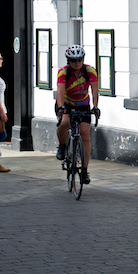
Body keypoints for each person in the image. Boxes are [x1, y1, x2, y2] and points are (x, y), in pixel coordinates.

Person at [54, 45, 99, 185]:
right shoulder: (63, 72)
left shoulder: (90, 71)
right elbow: (60, 92)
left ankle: (84, 171)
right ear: (68, 61)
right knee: (65, 123)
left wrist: (95, 107)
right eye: (74, 61)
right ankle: (62, 146)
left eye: (80, 60)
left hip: (83, 104)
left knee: (85, 135)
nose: (77, 63)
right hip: (66, 104)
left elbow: (95, 90)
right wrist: (61, 108)